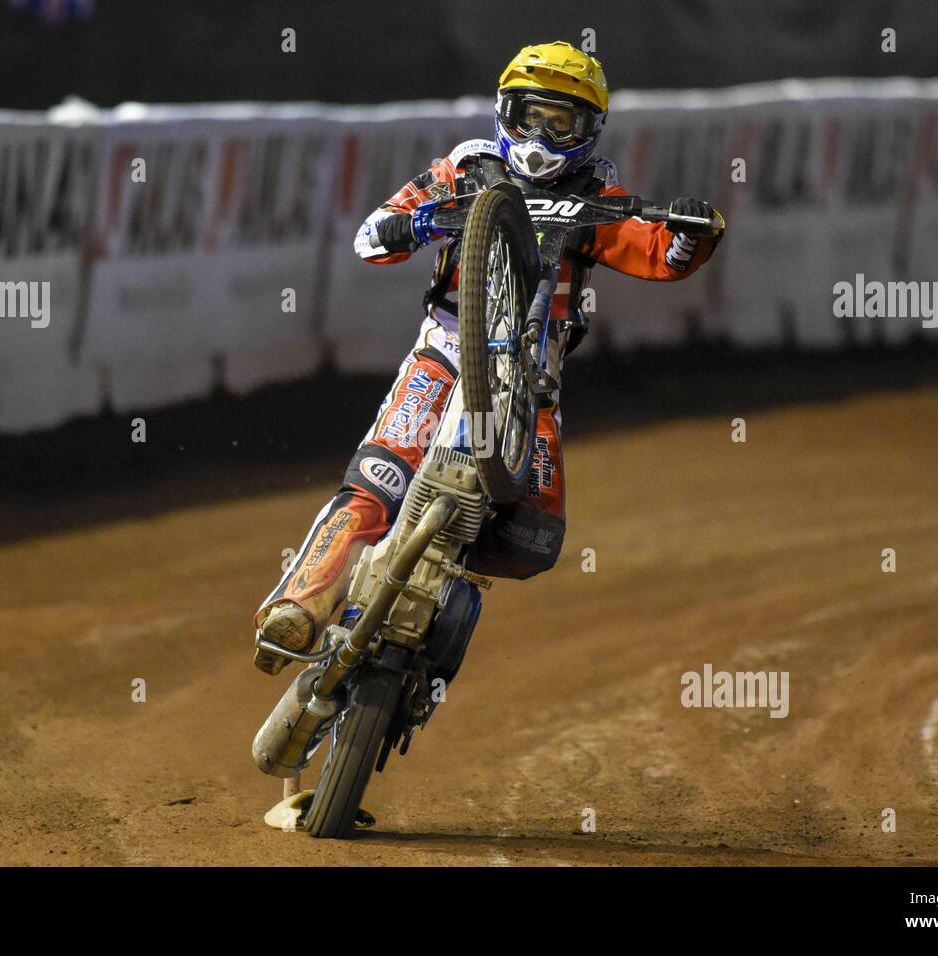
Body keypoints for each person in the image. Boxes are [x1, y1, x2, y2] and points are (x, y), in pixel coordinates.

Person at [253, 40, 724, 674]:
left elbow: (658, 253)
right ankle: (297, 606)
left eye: (562, 124)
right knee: (378, 479)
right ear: (505, 111)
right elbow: (372, 236)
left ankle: (435, 608)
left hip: (534, 375)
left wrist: (691, 232)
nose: (541, 135)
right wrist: (412, 225)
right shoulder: (466, 169)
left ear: (589, 132)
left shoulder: (596, 190)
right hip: (448, 347)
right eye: (531, 116)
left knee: (534, 538)